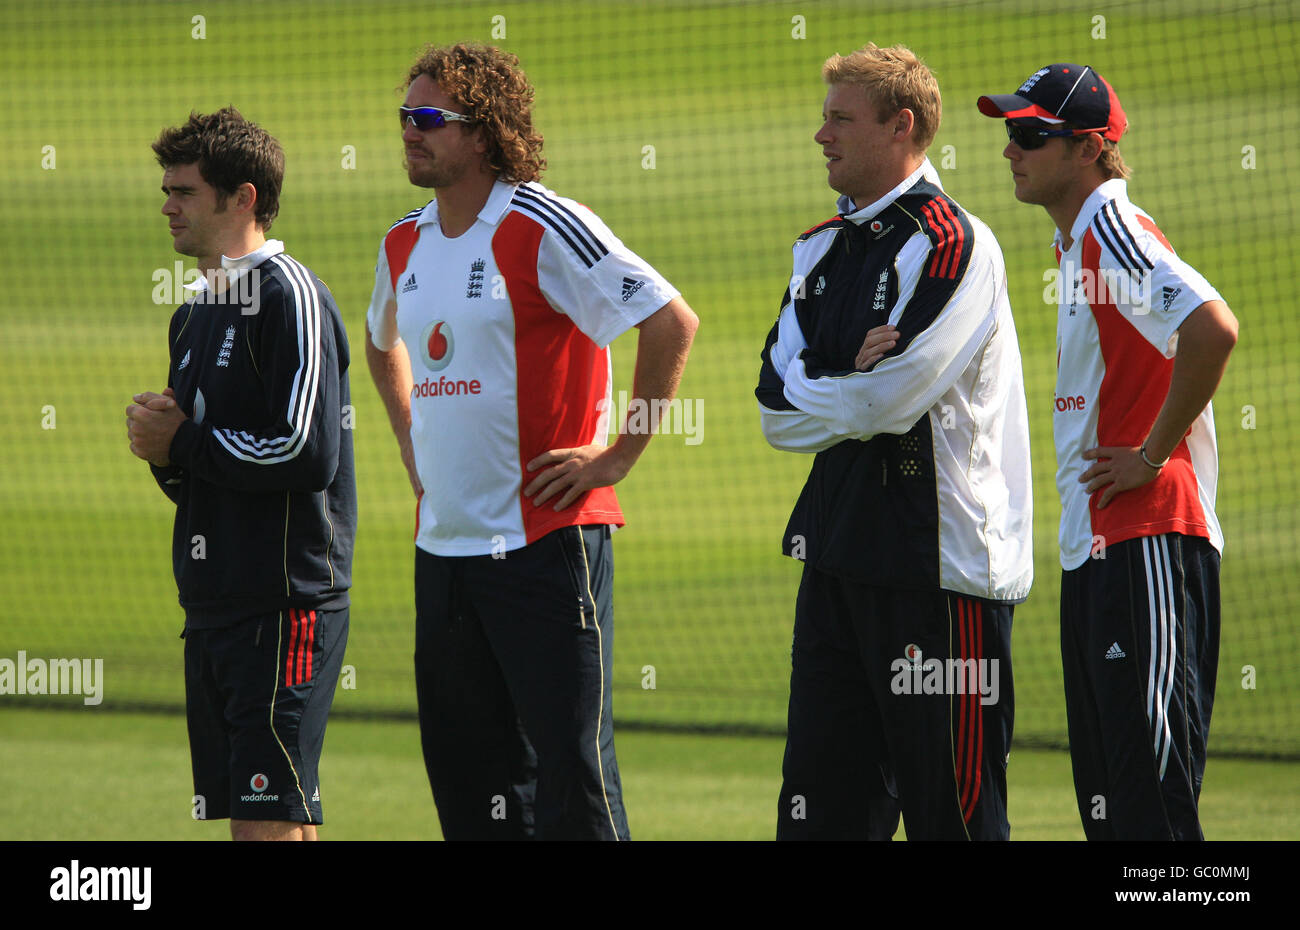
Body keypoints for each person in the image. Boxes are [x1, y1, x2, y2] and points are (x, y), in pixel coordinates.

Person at [365, 42, 698, 841]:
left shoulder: (541, 222)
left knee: (571, 779)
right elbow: (381, 343)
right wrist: (411, 440)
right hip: (443, 552)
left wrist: (619, 454)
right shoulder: (401, 242)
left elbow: (669, 320)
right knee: (469, 780)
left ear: (481, 134)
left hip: (546, 543)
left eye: (428, 119)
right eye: (404, 117)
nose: (409, 132)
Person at [757, 43, 1033, 841]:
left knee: (954, 815)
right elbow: (775, 411)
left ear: (900, 127)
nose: (821, 135)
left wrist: (830, 379)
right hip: (837, 555)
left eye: (839, 119)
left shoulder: (955, 243)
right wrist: (851, 373)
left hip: (938, 570)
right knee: (821, 812)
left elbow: (894, 396)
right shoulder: (820, 250)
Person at [978, 64, 1237, 840]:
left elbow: (1211, 328)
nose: (1010, 150)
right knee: (1116, 809)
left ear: (1089, 147)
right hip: (1101, 551)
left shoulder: (1111, 231)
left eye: (1030, 135)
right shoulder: (1079, 243)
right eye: (1008, 133)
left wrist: (1153, 457)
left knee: (1149, 812)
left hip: (1147, 540)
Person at [126, 108, 355, 841]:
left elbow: (306, 452)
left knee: (266, 825)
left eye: (184, 191)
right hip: (215, 607)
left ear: (243, 197)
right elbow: (202, 472)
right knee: (270, 819)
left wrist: (185, 443)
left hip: (283, 603)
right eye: (167, 189)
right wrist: (164, 453)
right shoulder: (192, 317)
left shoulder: (289, 295)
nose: (167, 206)